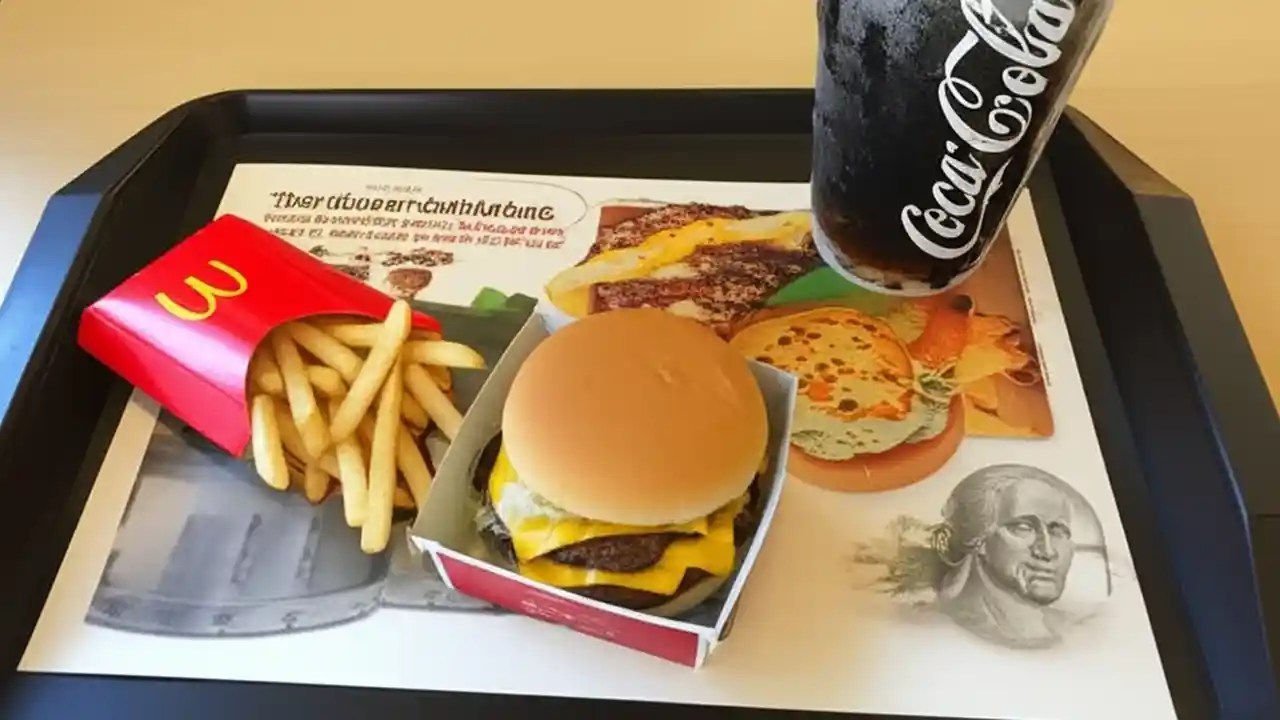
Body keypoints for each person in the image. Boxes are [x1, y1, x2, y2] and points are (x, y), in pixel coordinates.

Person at [932, 464, 1077, 648]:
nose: (1047, 551)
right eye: (1023, 528)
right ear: (978, 539)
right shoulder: (937, 630)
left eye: (1058, 531)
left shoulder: (1075, 630)